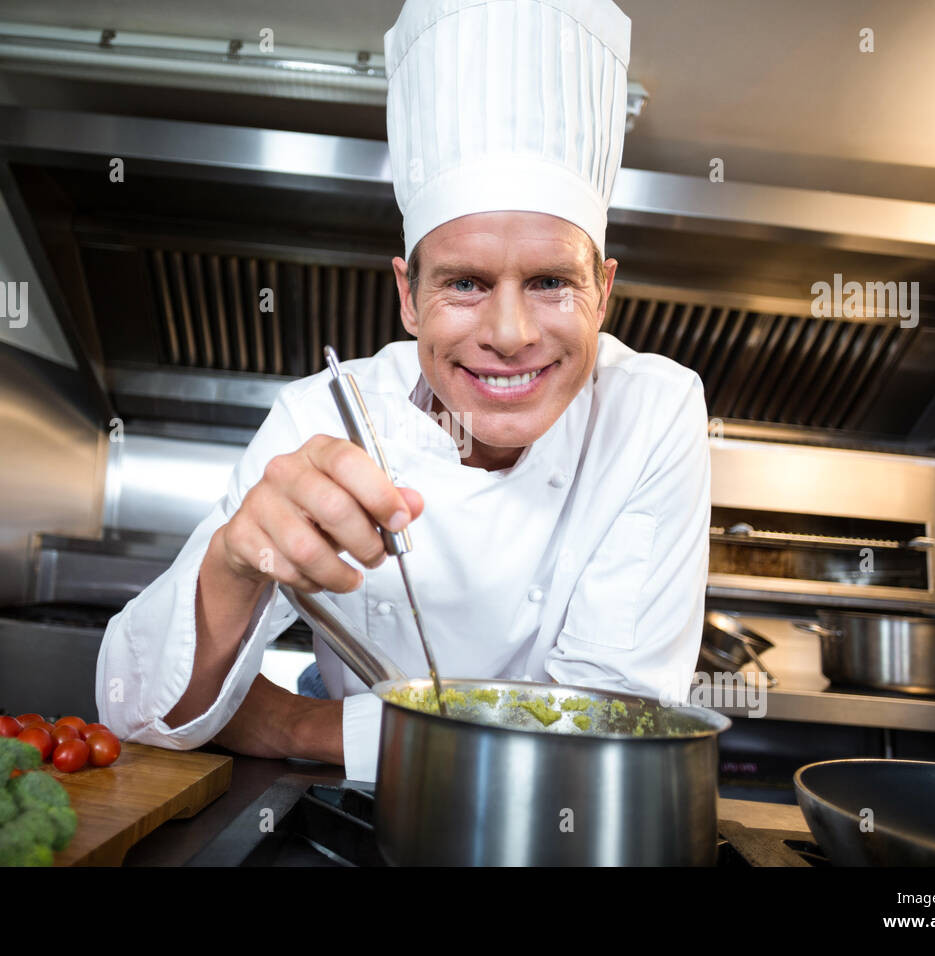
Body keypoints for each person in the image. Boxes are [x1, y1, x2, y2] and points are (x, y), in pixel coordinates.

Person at [95, 0, 710, 783]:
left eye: (552, 281)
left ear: (605, 292)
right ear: (408, 296)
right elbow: (134, 707)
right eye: (465, 283)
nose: (511, 332)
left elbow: (608, 728)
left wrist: (295, 722)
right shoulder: (323, 416)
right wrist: (235, 567)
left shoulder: (653, 411)